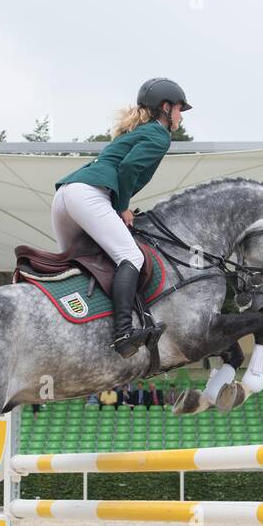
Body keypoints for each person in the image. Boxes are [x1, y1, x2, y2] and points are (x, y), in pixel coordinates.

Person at [52, 77, 190, 358]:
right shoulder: (159, 134)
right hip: (89, 195)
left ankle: (68, 329)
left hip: (66, 196)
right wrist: (123, 206)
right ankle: (123, 334)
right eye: (178, 109)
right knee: (132, 257)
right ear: (165, 108)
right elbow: (128, 168)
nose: (180, 116)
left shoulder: (139, 131)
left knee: (79, 264)